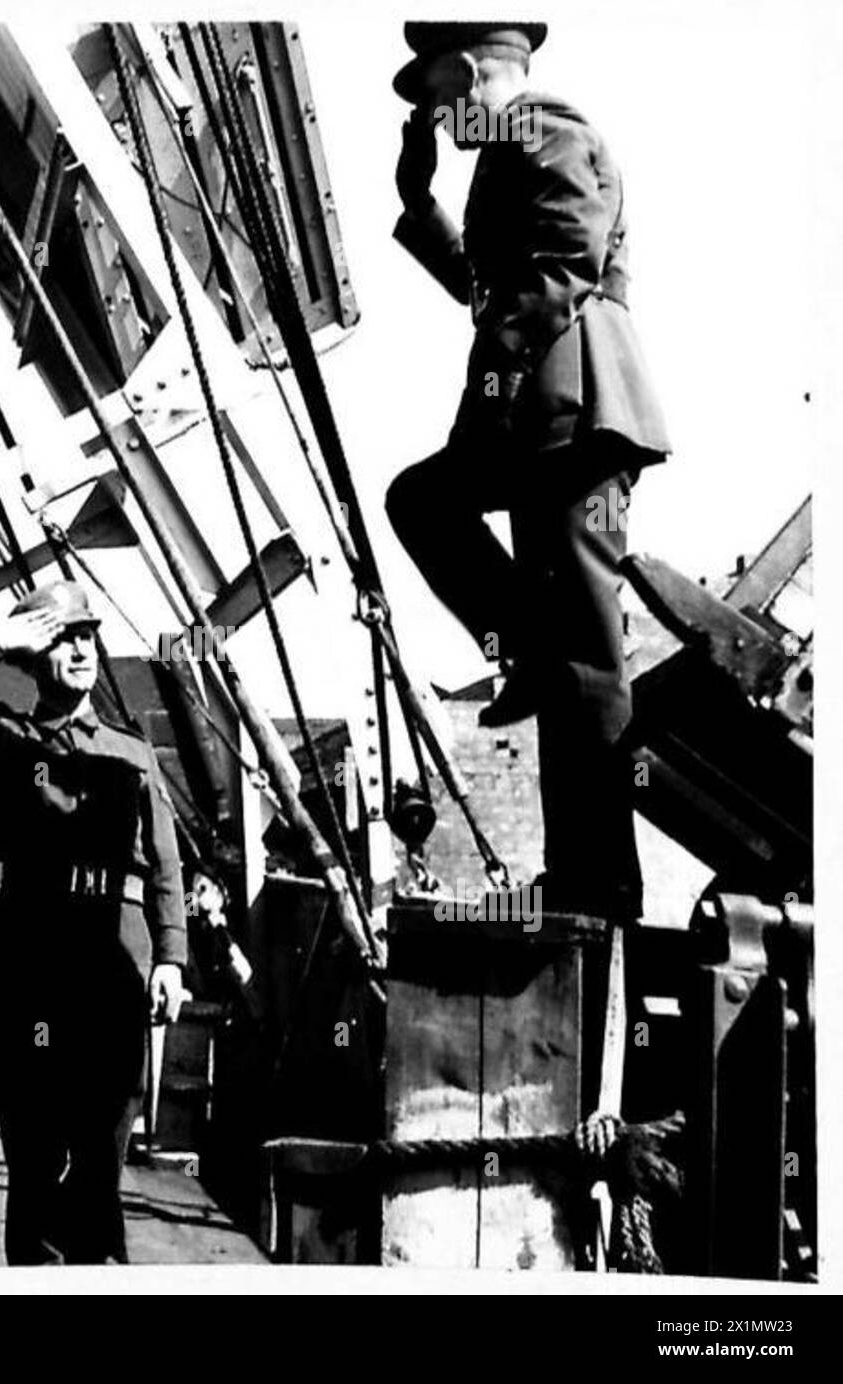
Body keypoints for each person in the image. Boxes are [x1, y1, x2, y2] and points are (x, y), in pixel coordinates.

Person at [383, 21, 671, 921]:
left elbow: (559, 273)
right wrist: (420, 203)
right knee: (561, 661)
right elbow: (487, 285)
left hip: (574, 417)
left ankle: (601, 888)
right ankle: (580, 866)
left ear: (470, 71)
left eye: (438, 98)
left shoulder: (549, 128)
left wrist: (494, 382)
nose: (438, 116)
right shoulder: (508, 153)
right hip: (541, 421)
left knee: (586, 662)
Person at [0, 580, 187, 1263]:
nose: (81, 647)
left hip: (115, 968)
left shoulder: (131, 753)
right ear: (32, 655)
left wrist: (171, 956)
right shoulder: (1, 743)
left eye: (87, 634)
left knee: (100, 1159)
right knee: (33, 1158)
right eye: (62, 636)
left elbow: (167, 864)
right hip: (33, 968)